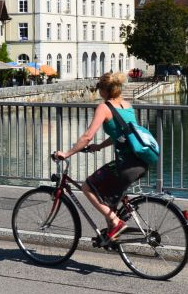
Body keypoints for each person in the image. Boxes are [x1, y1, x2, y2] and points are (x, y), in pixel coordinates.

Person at [53, 71, 147, 241]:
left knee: (87, 187)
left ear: (105, 90)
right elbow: (124, 134)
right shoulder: (127, 105)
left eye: (99, 88)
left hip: (125, 165)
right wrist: (99, 146)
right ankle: (113, 232)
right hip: (139, 162)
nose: (98, 91)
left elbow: (87, 136)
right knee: (106, 193)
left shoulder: (104, 107)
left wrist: (67, 153)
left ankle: (115, 222)